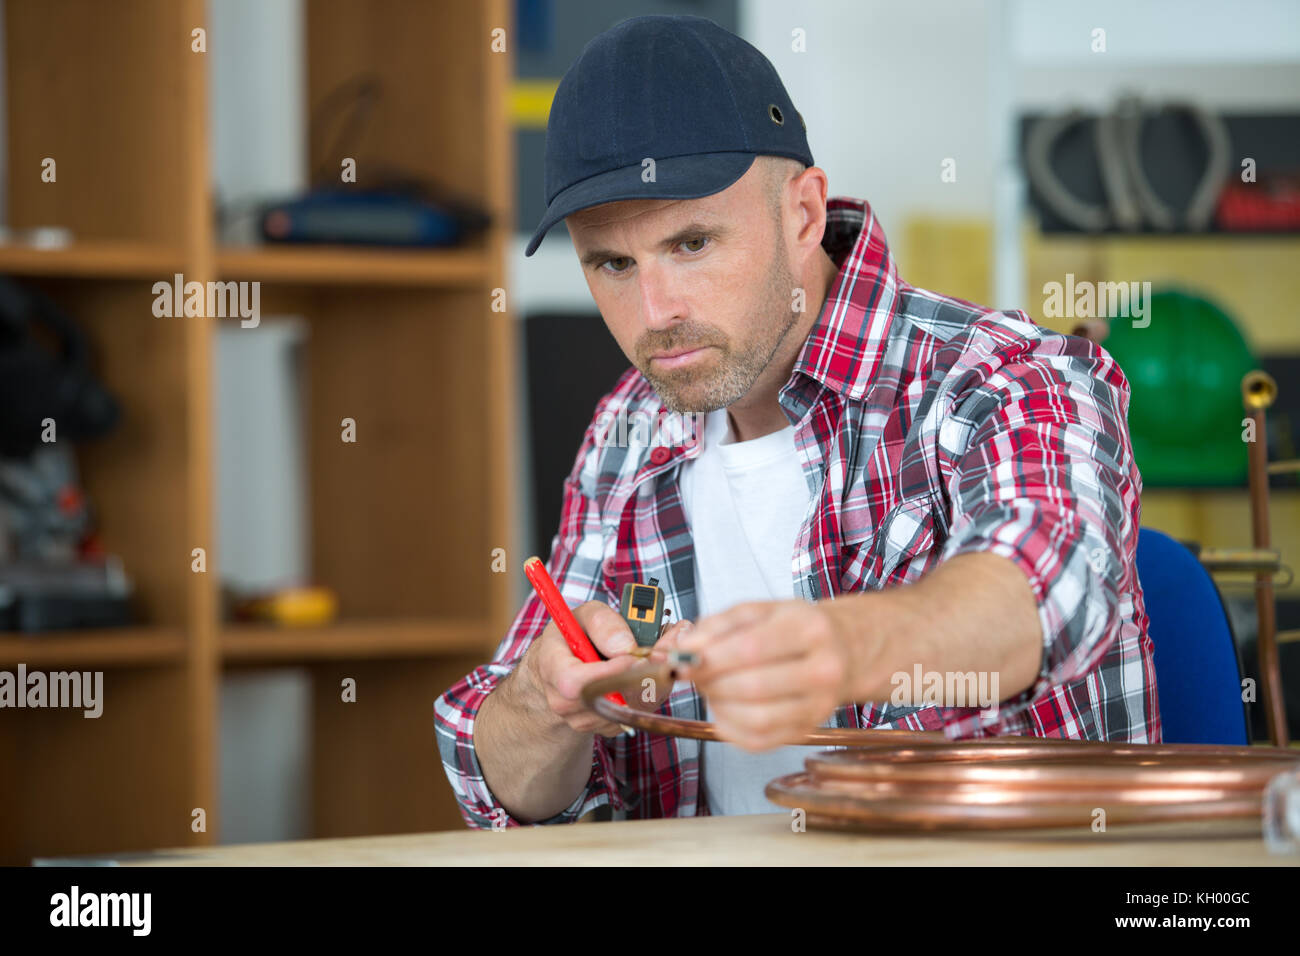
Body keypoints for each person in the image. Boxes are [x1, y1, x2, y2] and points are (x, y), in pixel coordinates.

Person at [436, 15, 1158, 828]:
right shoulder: (626, 429)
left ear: (805, 213)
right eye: (613, 263)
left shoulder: (1008, 376)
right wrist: (543, 701)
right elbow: (489, 773)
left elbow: (1051, 589)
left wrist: (848, 649)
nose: (656, 311)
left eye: (694, 243)